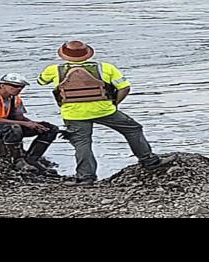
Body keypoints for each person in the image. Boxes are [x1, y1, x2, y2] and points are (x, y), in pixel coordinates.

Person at [37, 40, 168, 186]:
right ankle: (149, 161)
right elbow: (124, 88)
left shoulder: (53, 70)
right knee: (133, 129)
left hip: (73, 114)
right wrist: (115, 104)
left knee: (82, 144)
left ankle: (86, 178)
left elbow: (41, 81)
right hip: (105, 110)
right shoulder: (105, 67)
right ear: (88, 53)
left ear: (63, 55)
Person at [0, 74, 59, 171]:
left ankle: (32, 158)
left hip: (3, 127)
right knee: (13, 128)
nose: (19, 89)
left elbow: (19, 117)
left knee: (50, 129)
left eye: (21, 87)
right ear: (2, 85)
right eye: (15, 86)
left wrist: (34, 123)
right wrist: (25, 124)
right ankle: (17, 160)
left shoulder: (15, 99)